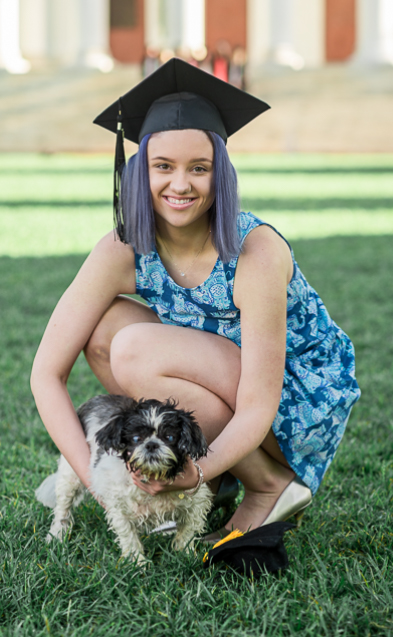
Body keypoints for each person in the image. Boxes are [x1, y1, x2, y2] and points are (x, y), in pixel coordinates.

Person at [32, 59, 359, 542]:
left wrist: (197, 472)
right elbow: (45, 374)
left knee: (133, 348)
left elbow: (258, 404)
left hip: (294, 397)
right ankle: (214, 475)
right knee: (103, 330)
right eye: (163, 166)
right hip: (221, 377)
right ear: (140, 171)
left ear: (220, 174)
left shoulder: (256, 252)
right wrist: (98, 481)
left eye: (199, 168)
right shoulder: (123, 248)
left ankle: (267, 484)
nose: (180, 184)